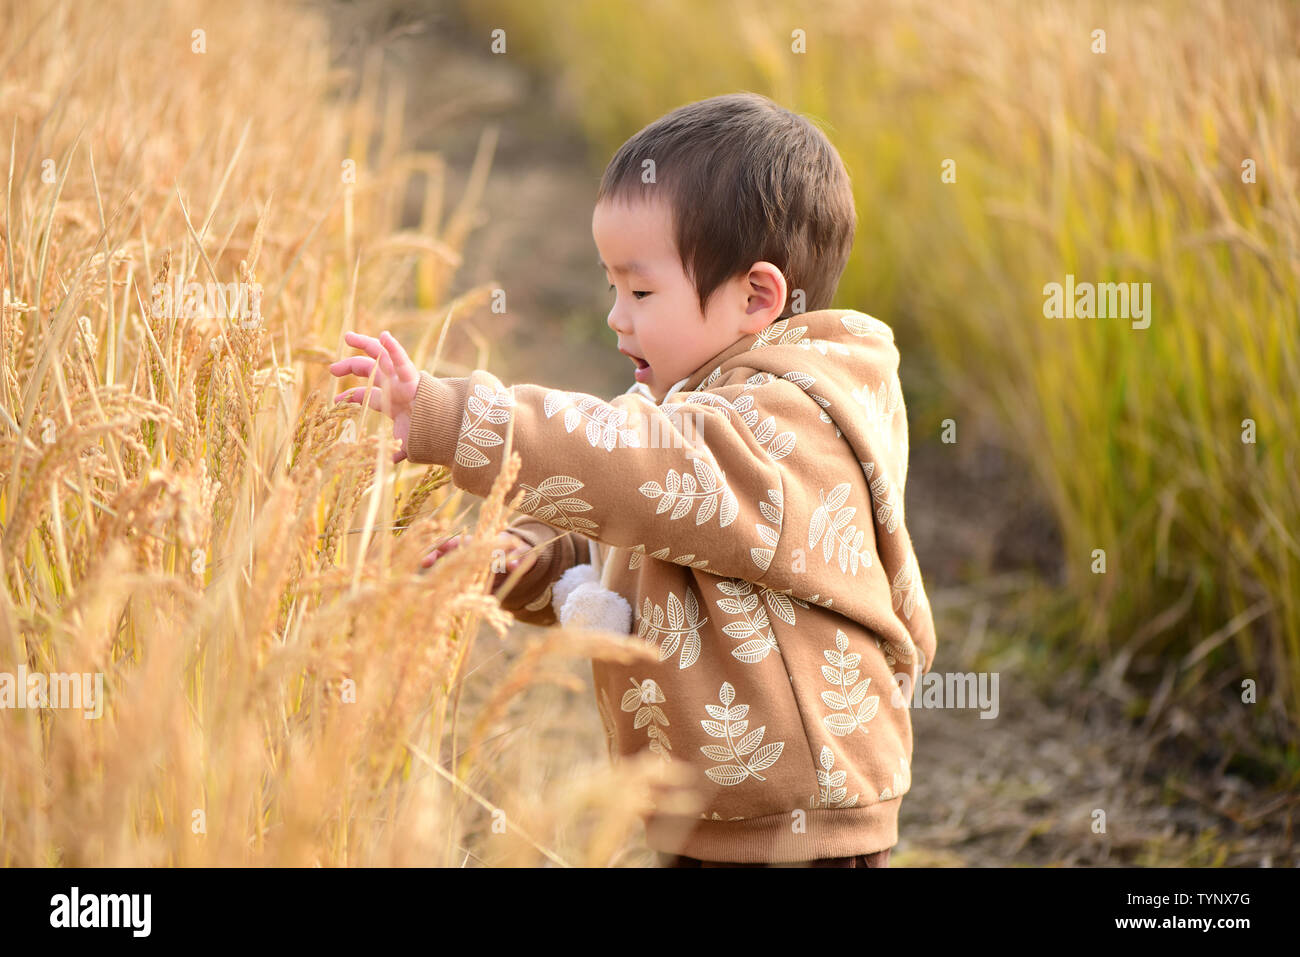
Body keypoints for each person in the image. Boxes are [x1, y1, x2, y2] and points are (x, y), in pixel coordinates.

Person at [330, 91, 936, 867]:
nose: (617, 315)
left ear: (757, 297)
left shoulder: (786, 425)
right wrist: (523, 562)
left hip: (796, 822)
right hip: (702, 808)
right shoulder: (700, 413)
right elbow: (629, 547)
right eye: (611, 286)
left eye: (641, 291)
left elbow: (638, 465)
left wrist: (454, 416)